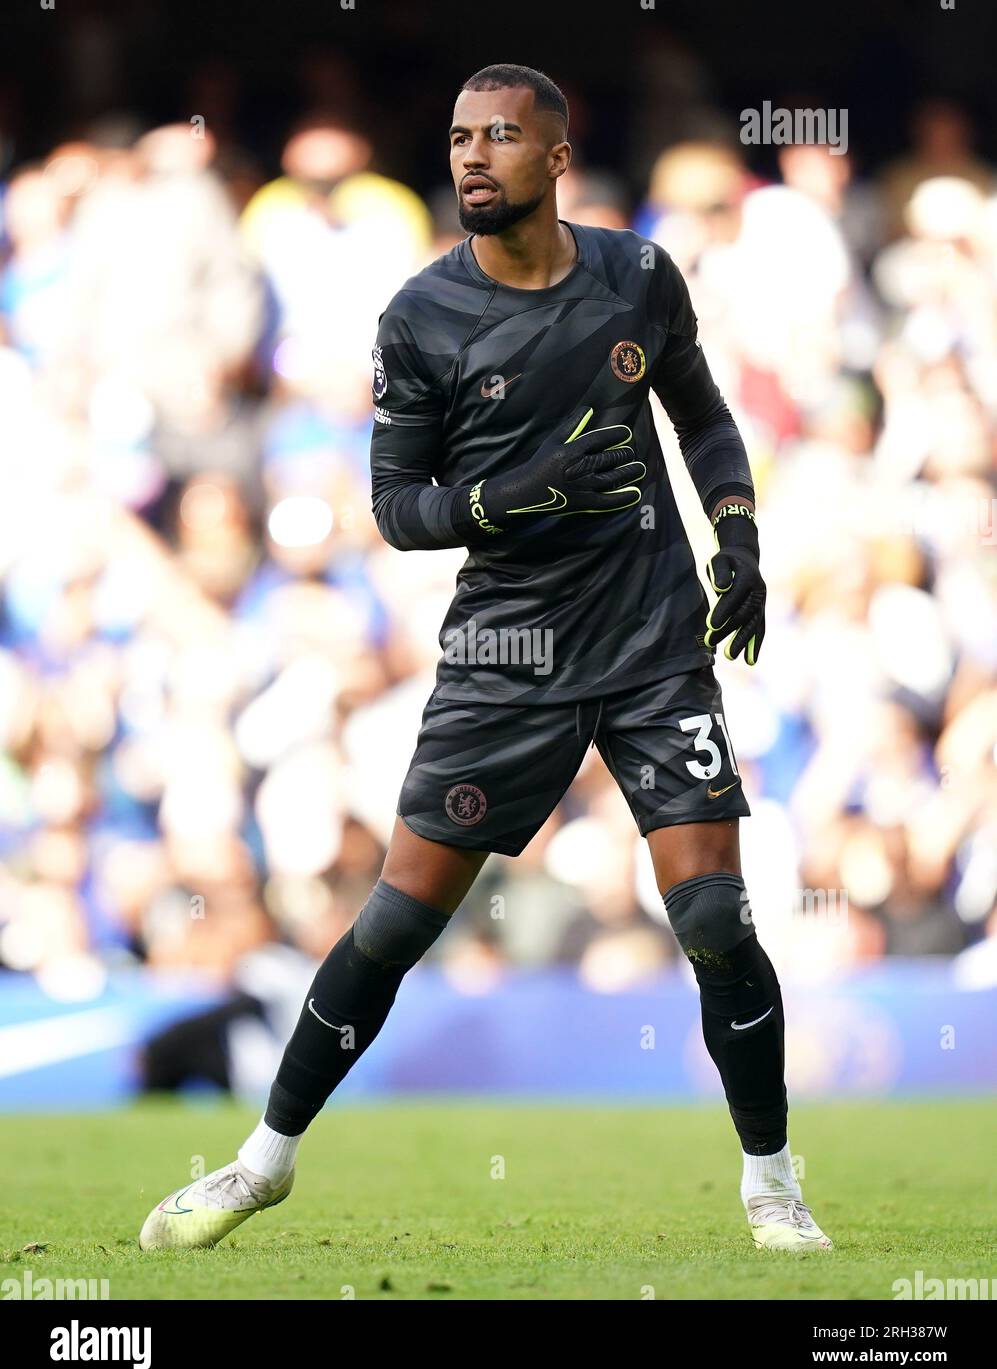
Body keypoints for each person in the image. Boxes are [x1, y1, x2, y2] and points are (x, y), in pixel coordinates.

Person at [139, 64, 831, 1255]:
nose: (471, 156)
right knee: (399, 920)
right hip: (504, 654)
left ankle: (772, 1184)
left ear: (556, 160)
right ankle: (261, 1164)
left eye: (499, 137)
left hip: (651, 639)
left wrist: (737, 539)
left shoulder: (637, 277)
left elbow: (704, 418)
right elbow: (398, 509)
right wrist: (525, 493)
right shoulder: (420, 315)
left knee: (715, 914)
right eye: (459, 136)